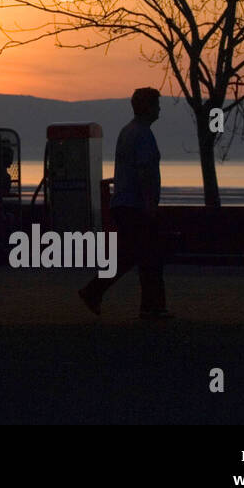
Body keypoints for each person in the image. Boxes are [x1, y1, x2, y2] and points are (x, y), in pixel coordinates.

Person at [78, 87, 171, 319]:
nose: (160, 109)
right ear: (148, 108)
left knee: (133, 255)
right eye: (157, 105)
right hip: (135, 205)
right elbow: (144, 171)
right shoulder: (143, 135)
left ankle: (97, 292)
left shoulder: (127, 132)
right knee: (149, 257)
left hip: (123, 203)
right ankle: (151, 307)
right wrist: (150, 203)